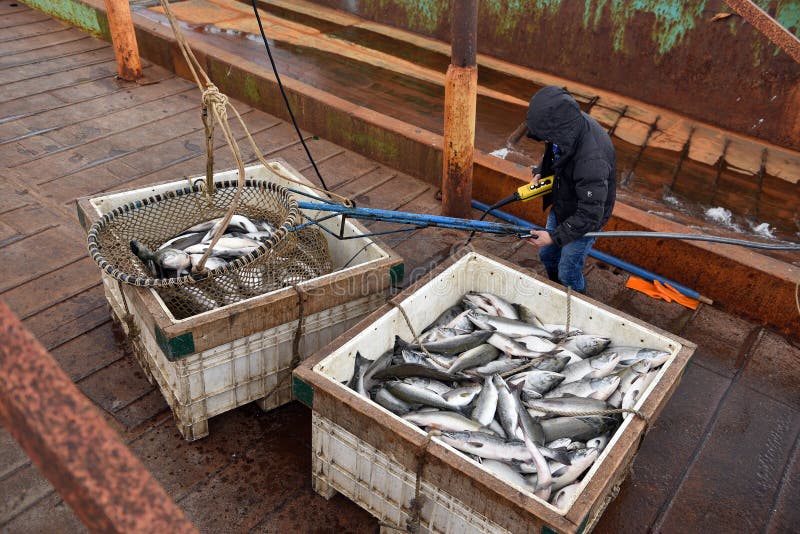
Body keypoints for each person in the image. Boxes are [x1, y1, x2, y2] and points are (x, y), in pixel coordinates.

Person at [524, 86, 616, 294]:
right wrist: (541, 170)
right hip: (563, 203)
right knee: (547, 256)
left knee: (568, 270)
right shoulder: (567, 124)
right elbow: (554, 151)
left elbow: (591, 213)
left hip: (584, 218)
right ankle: (557, 290)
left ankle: (576, 302)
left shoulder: (592, 159)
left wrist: (553, 237)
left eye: (547, 136)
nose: (545, 140)